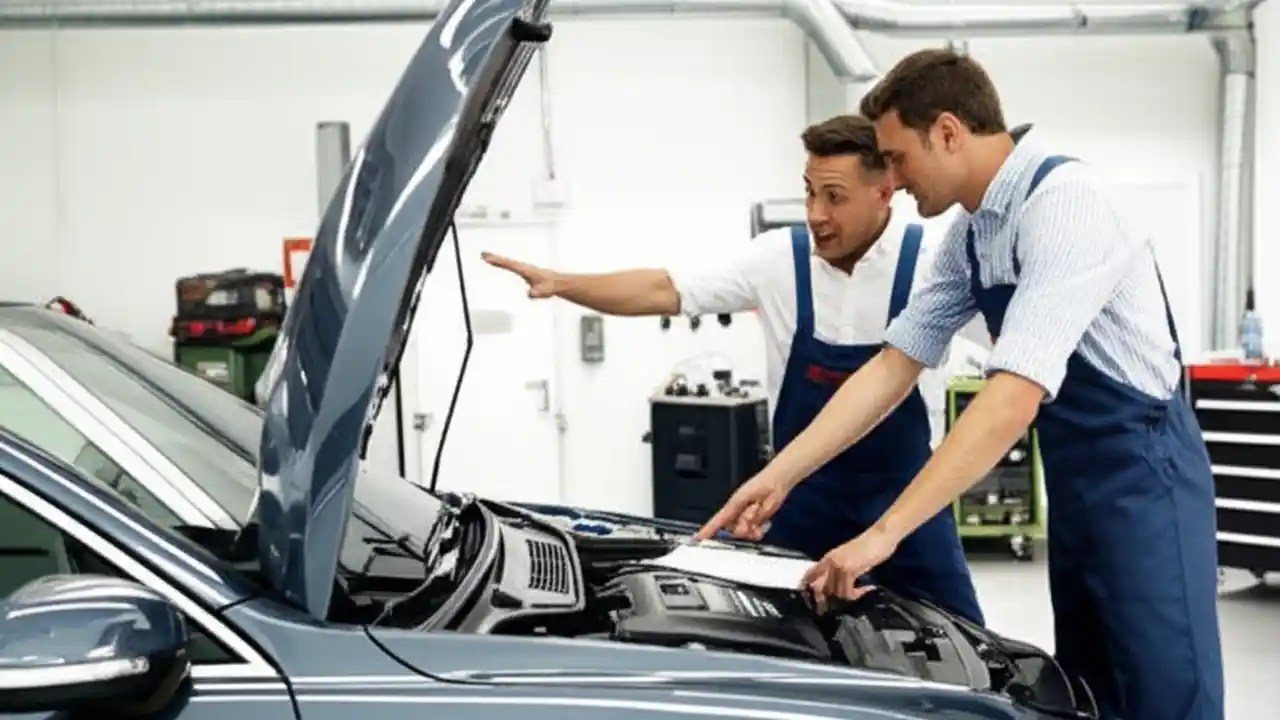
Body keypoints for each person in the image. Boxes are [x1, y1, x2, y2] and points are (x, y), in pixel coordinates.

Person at [696, 49, 1224, 720]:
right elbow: (893, 365)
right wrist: (779, 475)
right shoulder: (972, 234)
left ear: (947, 131)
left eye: (895, 157)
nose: (891, 177)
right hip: (1078, 486)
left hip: (1148, 482)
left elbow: (1011, 398)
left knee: (1164, 695)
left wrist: (883, 535)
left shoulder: (1064, 205)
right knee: (1092, 693)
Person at [483, 113, 985, 627]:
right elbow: (667, 290)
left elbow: (1007, 346)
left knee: (971, 641)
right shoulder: (778, 261)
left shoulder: (932, 265)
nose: (815, 213)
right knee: (775, 639)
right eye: (809, 193)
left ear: (885, 192)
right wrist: (563, 282)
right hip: (797, 499)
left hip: (906, 510)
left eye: (834, 197)